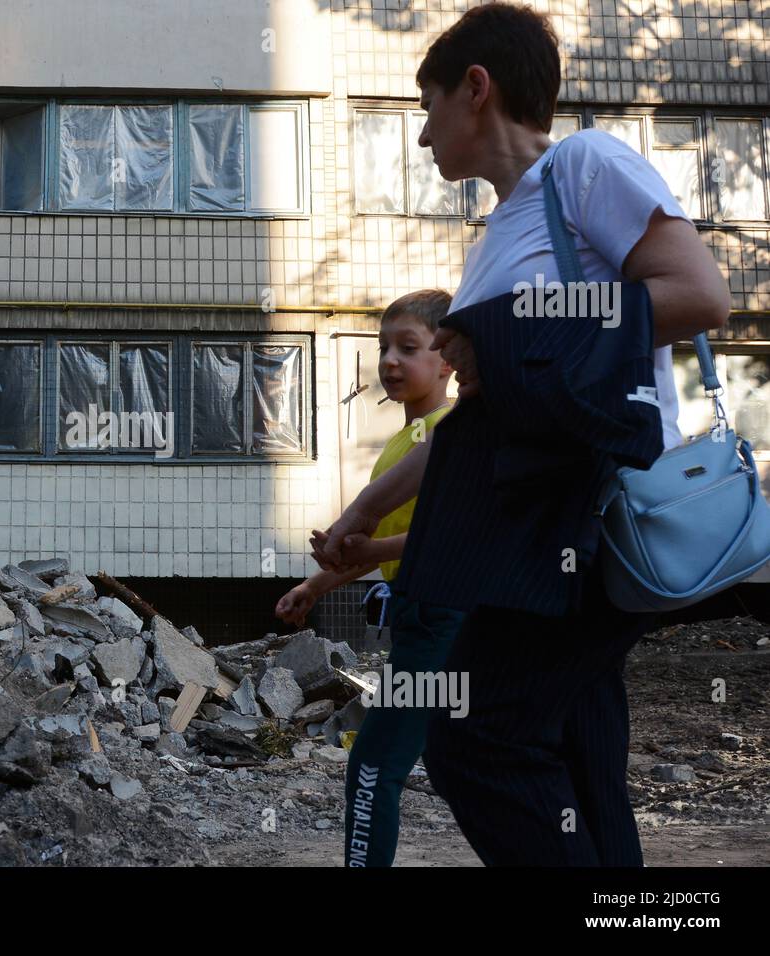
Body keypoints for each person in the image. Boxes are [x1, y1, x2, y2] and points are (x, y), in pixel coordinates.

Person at [312, 3, 730, 866]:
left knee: (475, 738)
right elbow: (481, 419)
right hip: (525, 528)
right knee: (581, 760)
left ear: (477, 89)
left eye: (427, 108)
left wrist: (507, 332)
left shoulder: (583, 165)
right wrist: (365, 513)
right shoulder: (501, 233)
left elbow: (698, 295)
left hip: (578, 519)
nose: (424, 139)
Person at [276, 289, 466, 867]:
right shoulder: (401, 447)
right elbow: (380, 548)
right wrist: (317, 585)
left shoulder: (452, 432)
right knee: (464, 768)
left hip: (441, 621)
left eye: (408, 347)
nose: (389, 361)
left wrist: (369, 544)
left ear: (449, 359)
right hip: (421, 622)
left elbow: (453, 535)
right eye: (384, 347)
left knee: (373, 768)